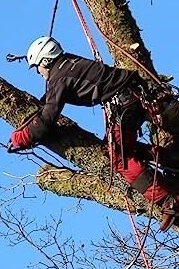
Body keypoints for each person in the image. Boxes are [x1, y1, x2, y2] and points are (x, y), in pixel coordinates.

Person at [10, 36, 179, 232]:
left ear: (45, 61)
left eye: (37, 67)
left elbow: (48, 119)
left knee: (118, 158)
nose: (38, 73)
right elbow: (49, 102)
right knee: (127, 148)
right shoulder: (69, 63)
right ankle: (172, 159)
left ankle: (167, 201)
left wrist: (21, 137)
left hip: (124, 104)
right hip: (136, 93)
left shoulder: (59, 77)